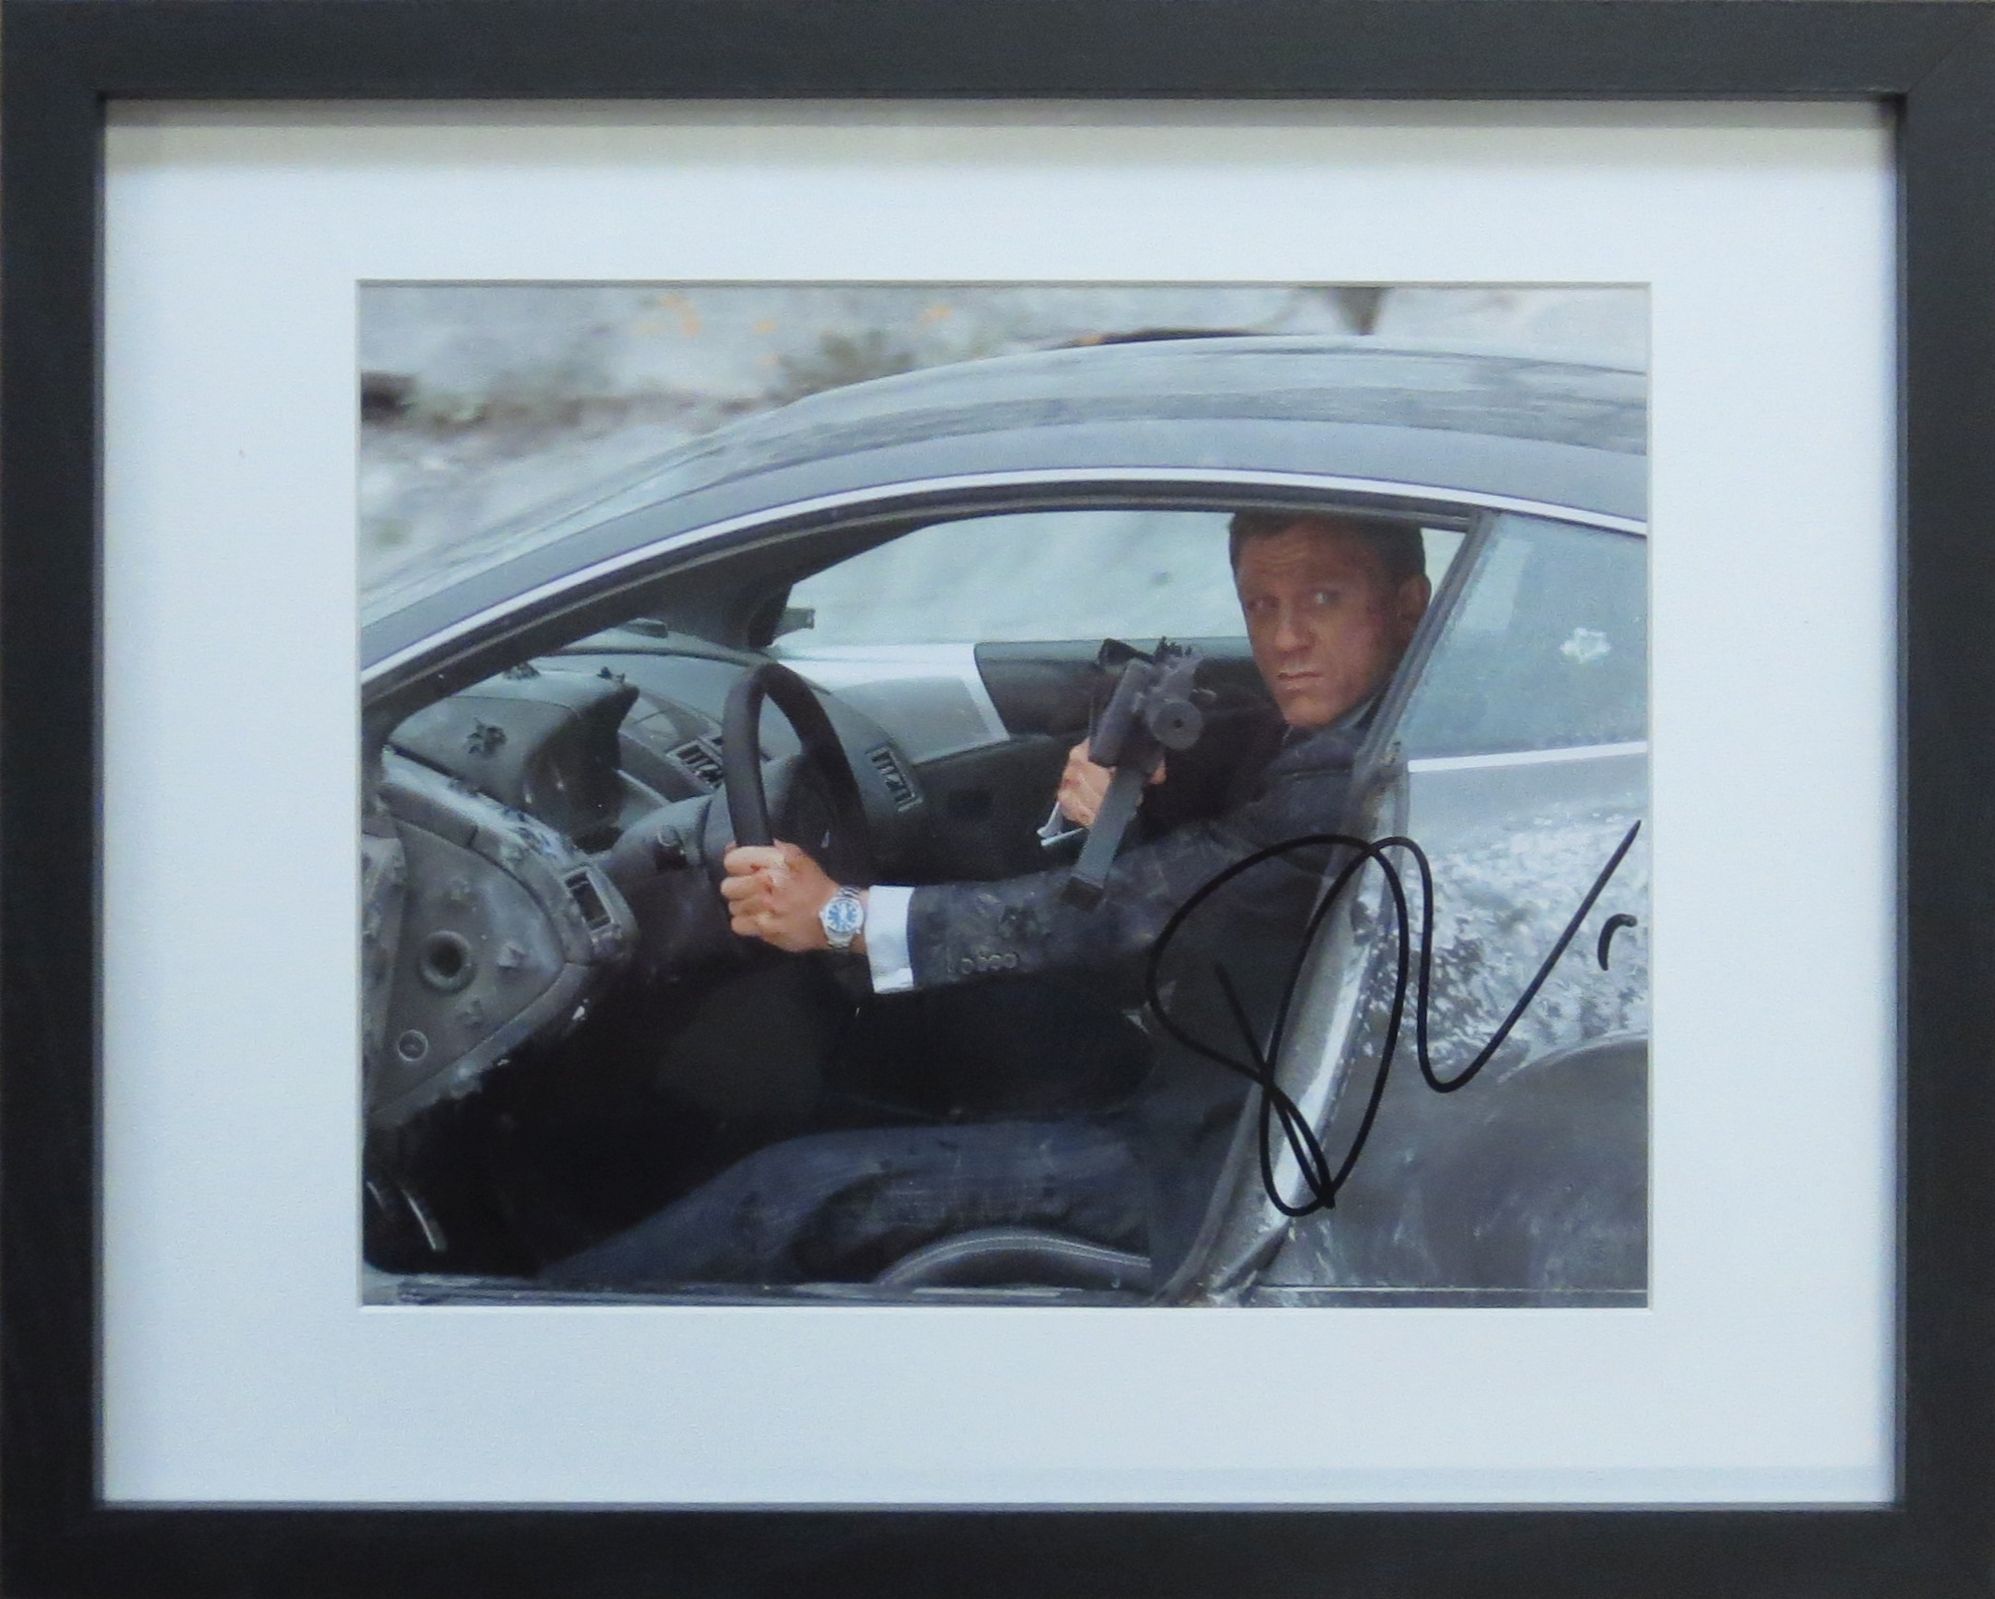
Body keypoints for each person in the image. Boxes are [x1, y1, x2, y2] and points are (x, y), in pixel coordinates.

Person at [548, 511, 1430, 1288]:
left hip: (1218, 1166)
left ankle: (526, 1338)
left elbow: (1130, 909)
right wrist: (1157, 775)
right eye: (1260, 607)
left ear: (1406, 609)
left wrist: (842, 916)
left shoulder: (1359, 777)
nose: (1283, 642)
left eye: (1322, 600)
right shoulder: (1379, 722)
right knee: (944, 1026)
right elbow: (1248, 743)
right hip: (1232, 1080)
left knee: (784, 1195)